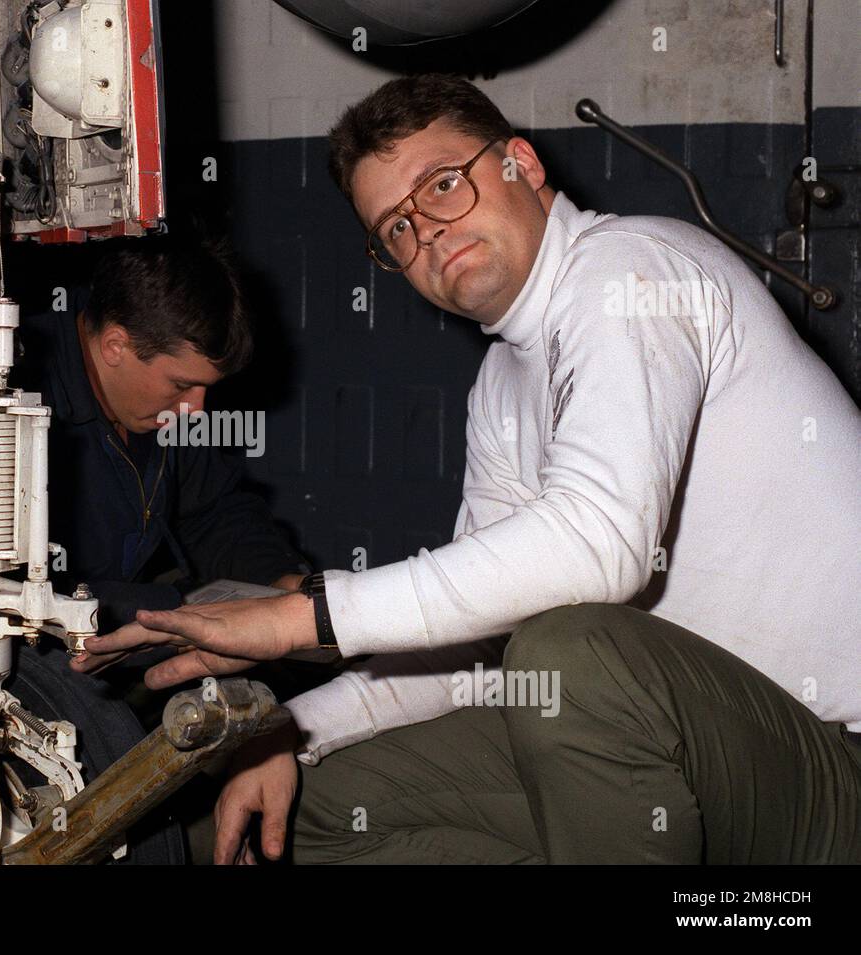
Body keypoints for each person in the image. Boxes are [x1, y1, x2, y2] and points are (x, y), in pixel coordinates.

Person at [81, 74, 861, 864]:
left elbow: (600, 547)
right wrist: (288, 729)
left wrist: (297, 618)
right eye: (396, 228)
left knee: (570, 653)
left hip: (833, 766)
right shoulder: (500, 386)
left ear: (521, 161)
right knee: (313, 808)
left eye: (443, 184)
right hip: (678, 752)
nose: (427, 230)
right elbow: (474, 649)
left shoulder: (629, 272)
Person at [12, 234, 310, 652]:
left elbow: (215, 510)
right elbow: (3, 588)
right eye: (182, 384)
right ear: (116, 345)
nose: (196, 410)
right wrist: (173, 611)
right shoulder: (12, 398)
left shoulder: (163, 406)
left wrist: (280, 582)